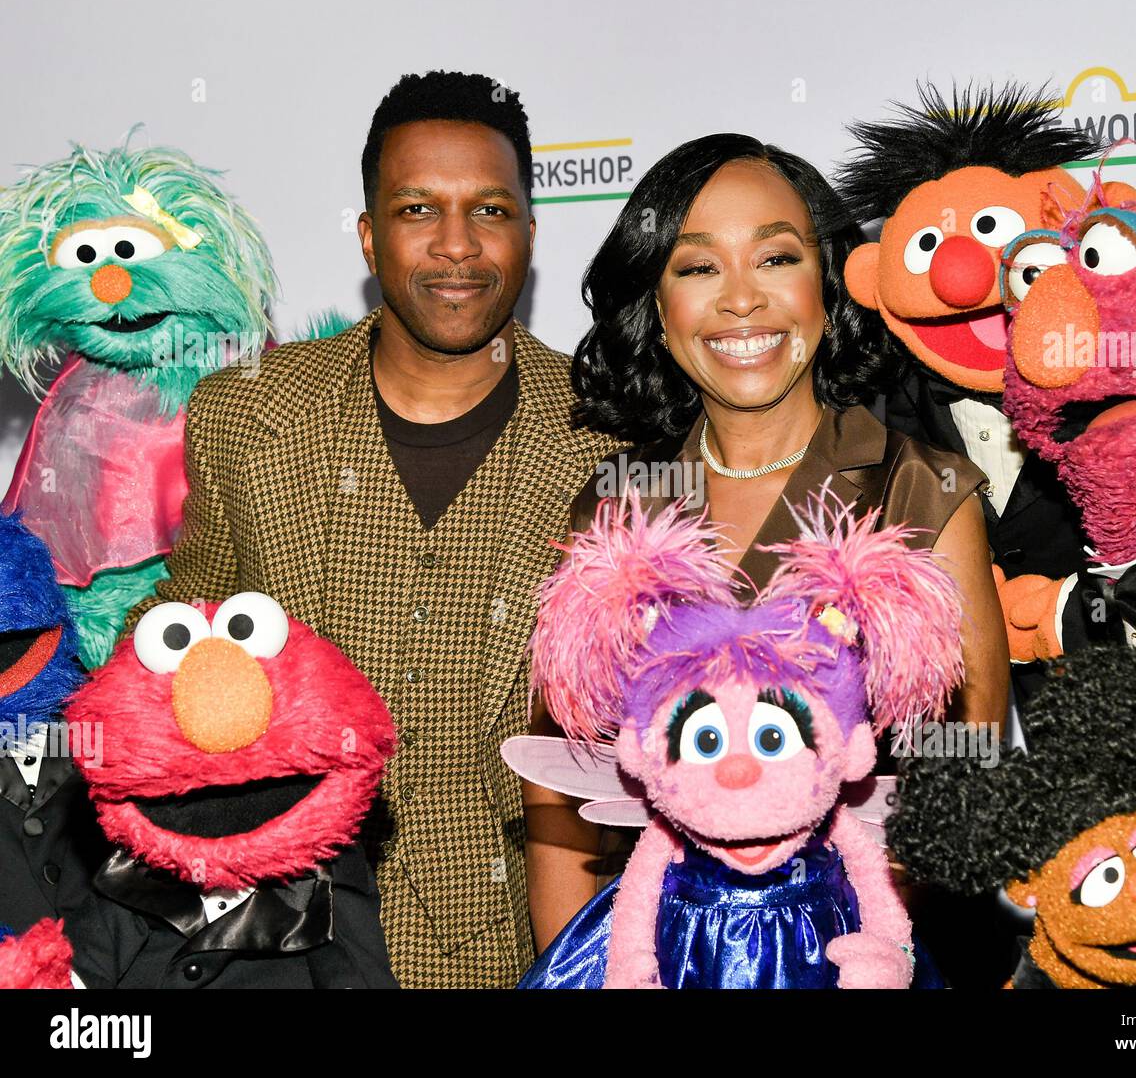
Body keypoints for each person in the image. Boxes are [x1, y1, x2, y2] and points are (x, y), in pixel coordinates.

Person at [123, 70, 618, 987]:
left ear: (532, 235)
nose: (458, 246)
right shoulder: (253, 415)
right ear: (368, 234)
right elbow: (180, 644)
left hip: (537, 940)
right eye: (419, 209)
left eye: (492, 211)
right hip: (289, 941)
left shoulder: (612, 437)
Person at [524, 134, 1009, 956]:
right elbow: (558, 786)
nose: (741, 300)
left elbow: (964, 769)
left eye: (776, 259)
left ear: (828, 281)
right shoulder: (620, 505)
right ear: (657, 303)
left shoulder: (922, 489)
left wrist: (824, 951)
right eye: (698, 267)